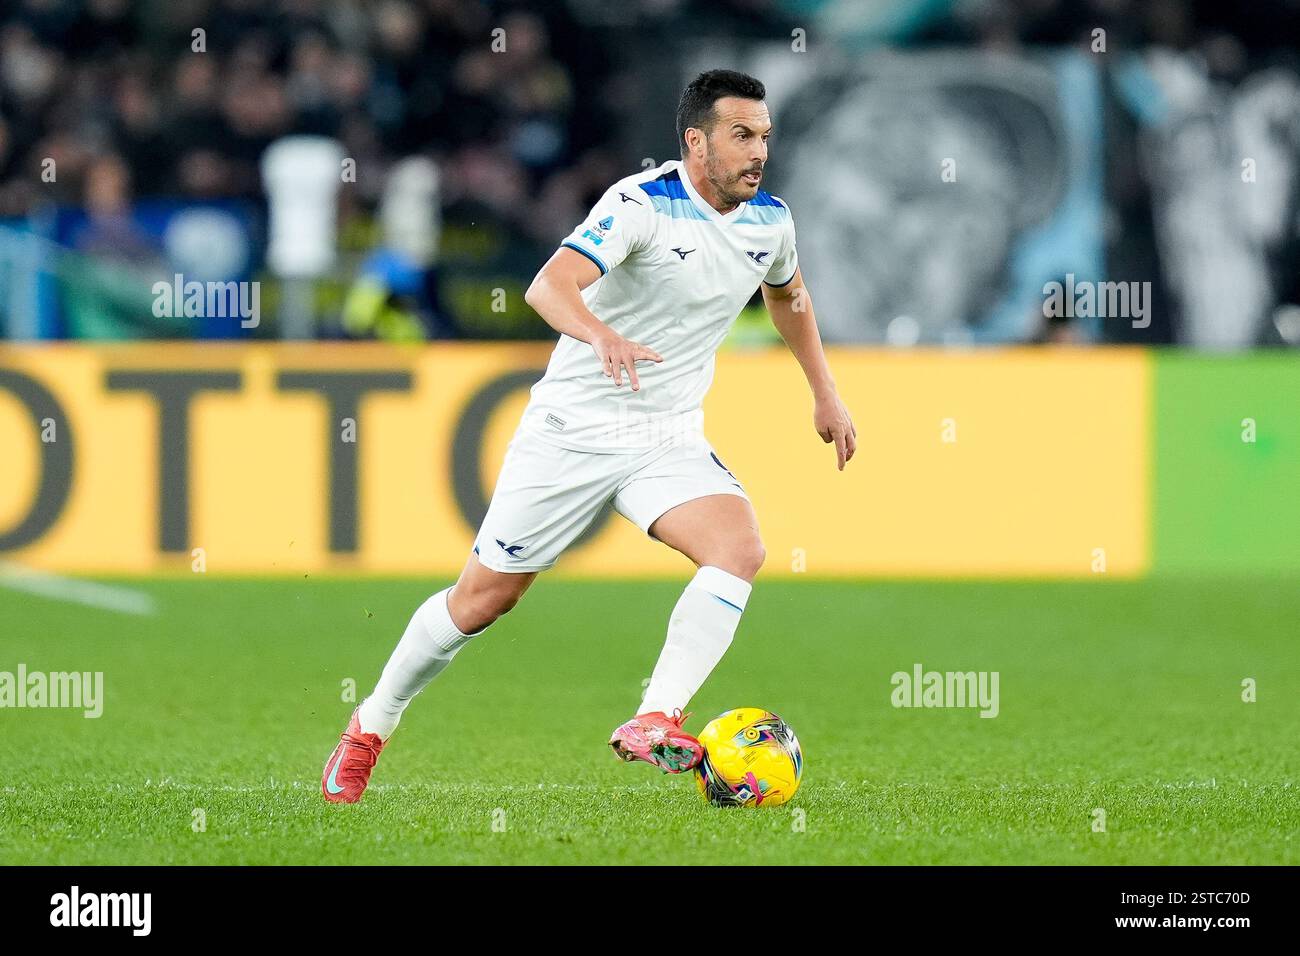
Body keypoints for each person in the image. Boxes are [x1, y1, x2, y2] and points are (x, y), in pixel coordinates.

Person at [322, 69, 856, 802]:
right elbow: (549, 286)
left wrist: (825, 394)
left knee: (739, 549)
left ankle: (655, 715)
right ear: (696, 141)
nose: (758, 150)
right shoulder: (640, 204)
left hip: (665, 434)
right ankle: (369, 727)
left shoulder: (770, 221)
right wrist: (602, 335)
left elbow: (789, 297)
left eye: (764, 135)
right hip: (572, 431)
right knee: (482, 600)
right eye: (741, 135)